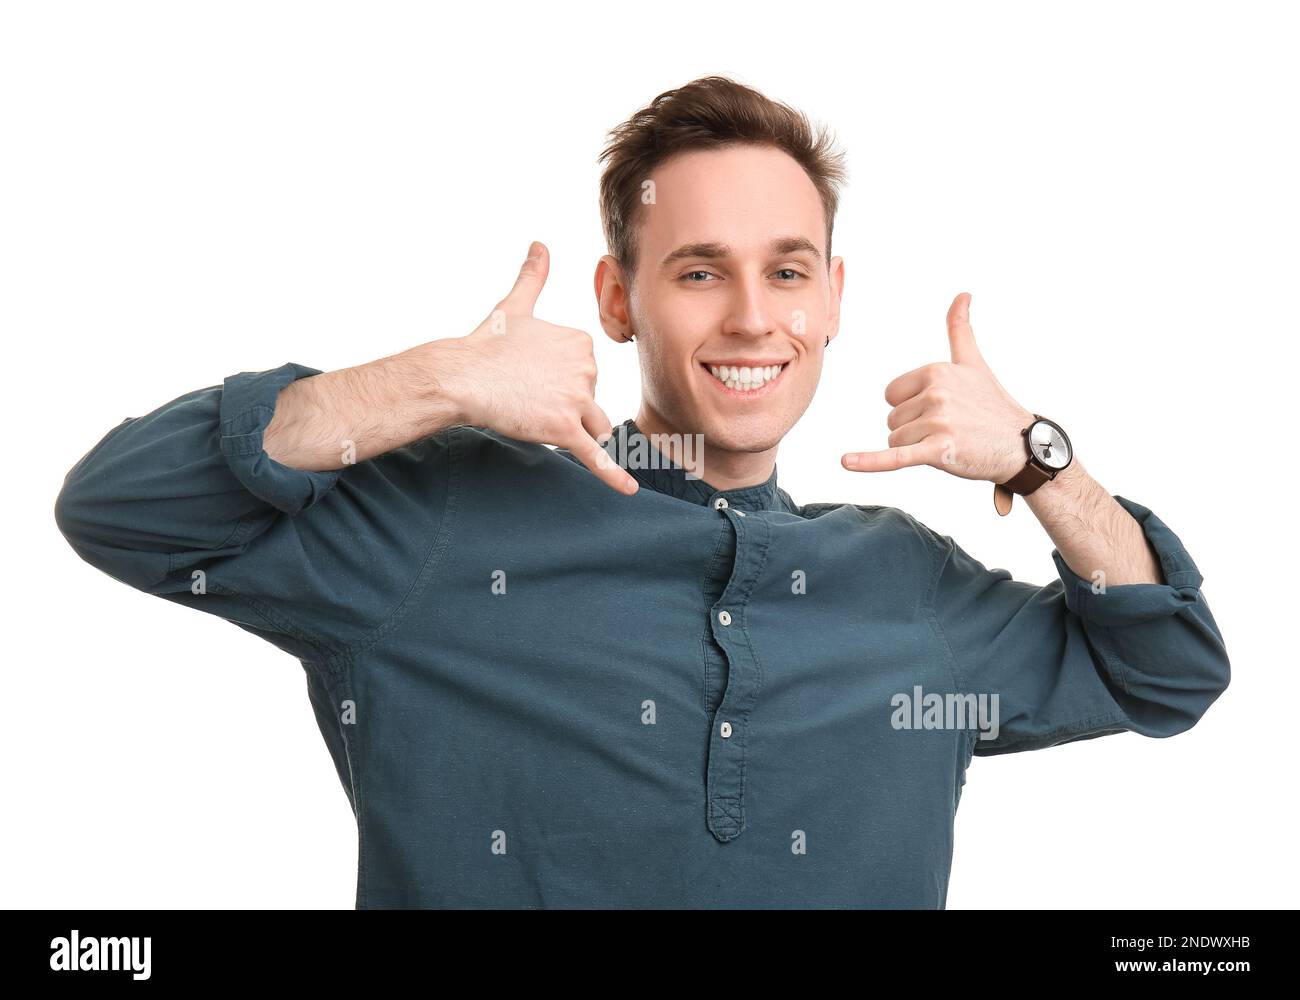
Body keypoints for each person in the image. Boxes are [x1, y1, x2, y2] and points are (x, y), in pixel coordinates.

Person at [53, 75, 1230, 908]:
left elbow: (1170, 668)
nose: (753, 317)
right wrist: (436, 380)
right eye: (698, 271)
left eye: (788, 271)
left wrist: (1040, 460)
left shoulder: (909, 591)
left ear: (831, 303)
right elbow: (124, 505)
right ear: (616, 301)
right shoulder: (442, 522)